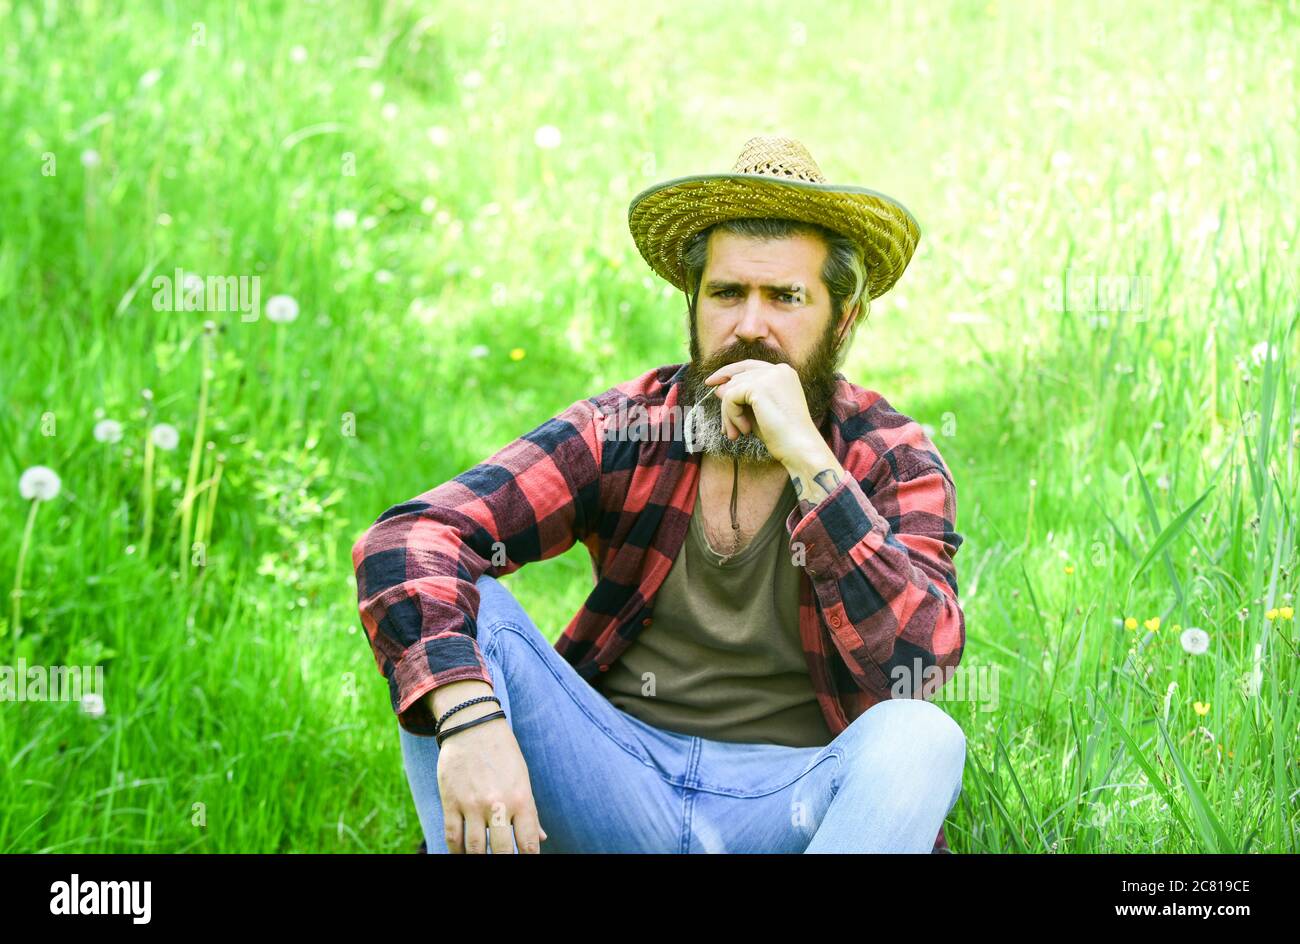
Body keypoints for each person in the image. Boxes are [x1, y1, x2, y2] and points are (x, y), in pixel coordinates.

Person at [351, 135, 967, 853]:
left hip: (790, 806)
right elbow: (406, 540)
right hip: (613, 780)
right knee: (463, 611)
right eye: (728, 293)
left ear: (843, 319)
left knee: (923, 738)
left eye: (786, 298)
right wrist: (468, 720)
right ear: (694, 304)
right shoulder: (631, 428)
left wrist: (810, 462)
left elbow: (916, 663)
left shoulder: (889, 455)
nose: (750, 326)